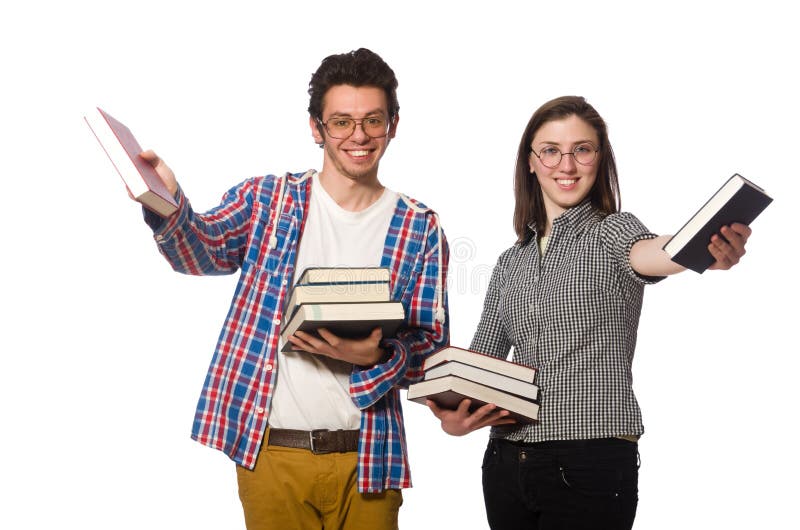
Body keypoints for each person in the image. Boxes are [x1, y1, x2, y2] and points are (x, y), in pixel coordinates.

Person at [138, 48, 449, 530]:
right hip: (272, 456)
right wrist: (167, 202)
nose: (359, 136)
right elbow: (200, 252)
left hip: (370, 459)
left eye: (373, 120)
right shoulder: (268, 200)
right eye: (341, 122)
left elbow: (430, 350)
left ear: (393, 124)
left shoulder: (420, 227)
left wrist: (378, 357)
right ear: (316, 127)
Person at [427, 95, 750, 530]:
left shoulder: (612, 231)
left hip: (588, 461)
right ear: (531, 162)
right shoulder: (510, 261)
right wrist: (454, 417)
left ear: (600, 158)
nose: (567, 165)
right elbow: (481, 365)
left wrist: (703, 252)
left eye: (582, 149)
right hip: (505, 462)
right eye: (551, 150)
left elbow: (654, 252)